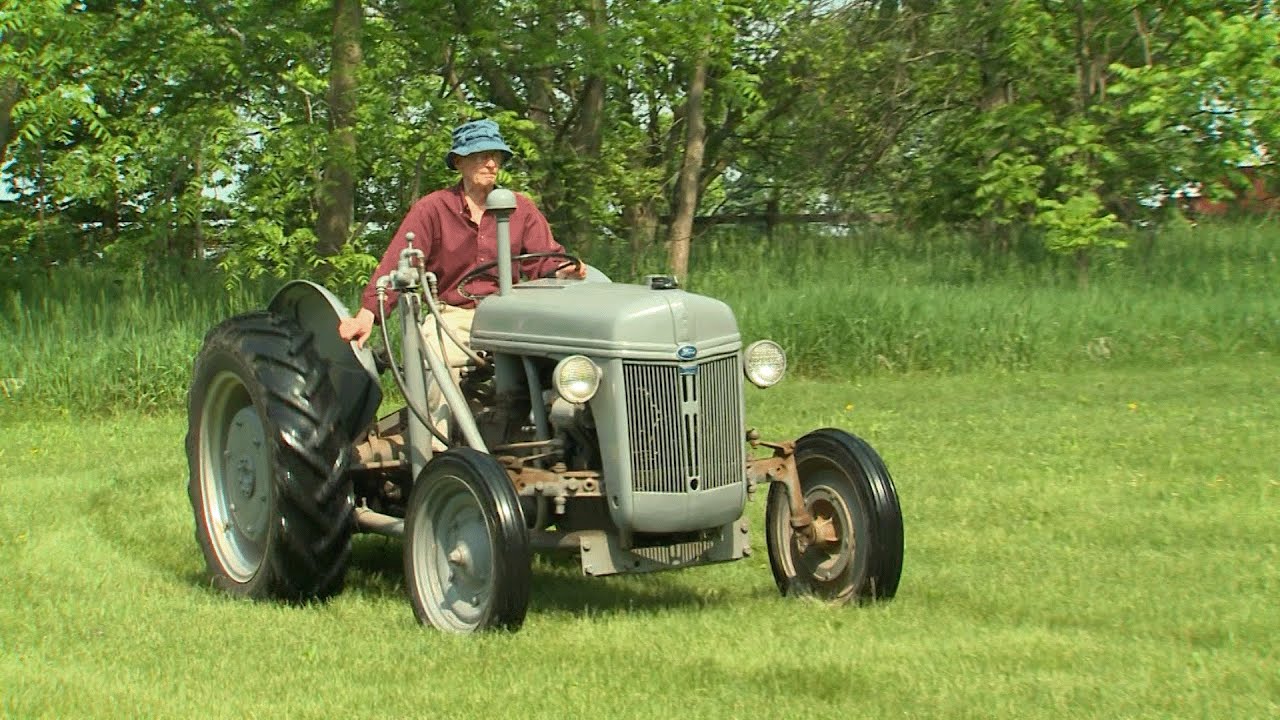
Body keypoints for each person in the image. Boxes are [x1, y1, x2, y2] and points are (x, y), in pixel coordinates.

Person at [338, 118, 585, 349]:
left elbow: (544, 261)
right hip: (453, 316)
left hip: (510, 314)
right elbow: (398, 264)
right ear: (459, 161)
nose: (491, 164)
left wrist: (565, 270)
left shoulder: (520, 208)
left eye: (496, 156)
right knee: (440, 364)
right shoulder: (432, 208)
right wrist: (368, 314)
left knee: (560, 366)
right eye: (481, 156)